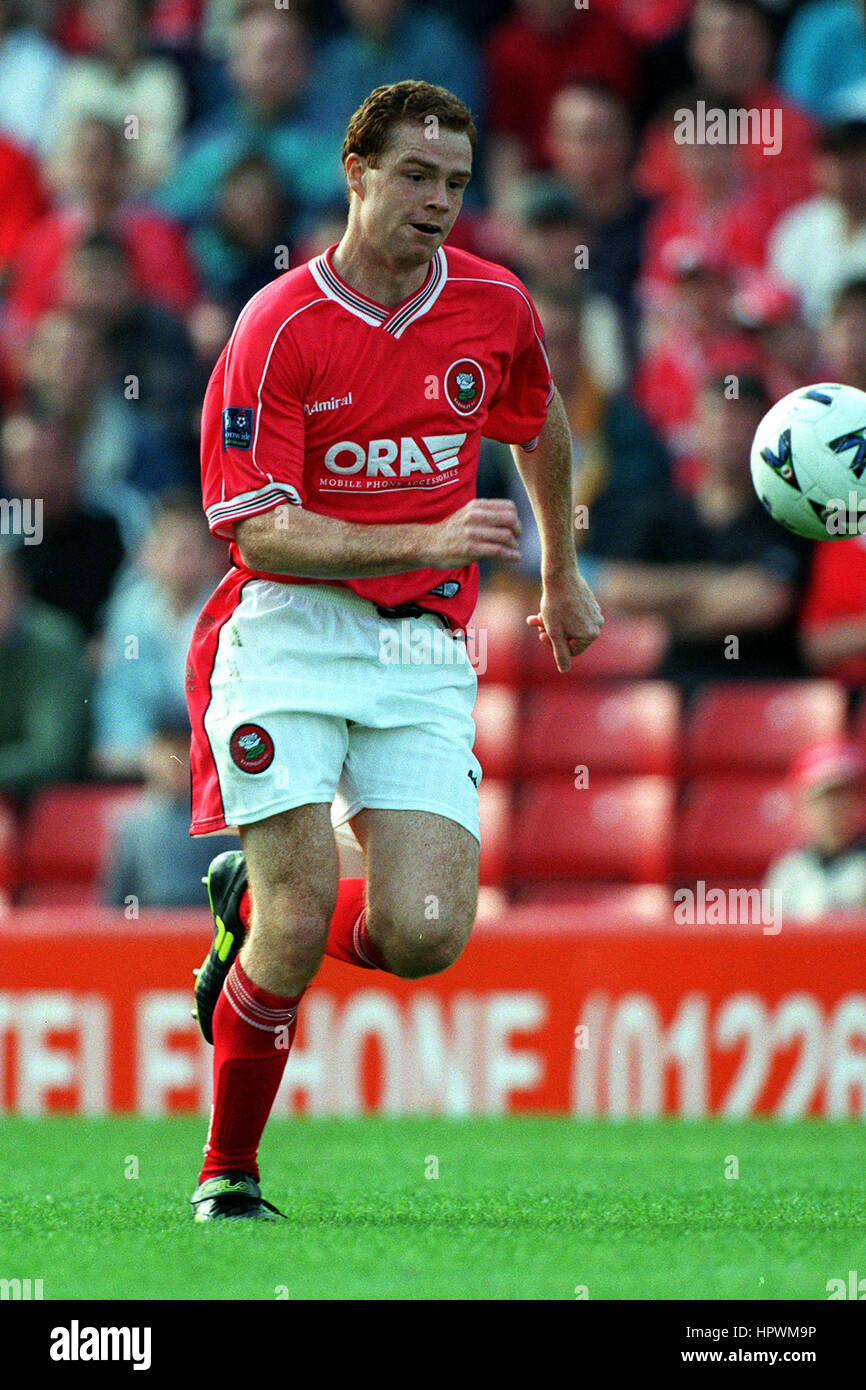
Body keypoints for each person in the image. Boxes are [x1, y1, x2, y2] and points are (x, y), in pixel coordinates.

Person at [185, 79, 603, 1221]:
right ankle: (229, 1173)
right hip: (286, 628)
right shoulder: (278, 327)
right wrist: (426, 529)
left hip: (419, 650)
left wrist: (562, 571)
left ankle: (256, 911)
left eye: (458, 184)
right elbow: (251, 525)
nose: (437, 202)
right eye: (416, 175)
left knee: (422, 936)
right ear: (356, 171)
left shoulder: (492, 304)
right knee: (304, 900)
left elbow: (541, 420)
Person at [591, 371, 811, 698]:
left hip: (764, 691)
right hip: (672, 693)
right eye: (716, 422)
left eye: (739, 425)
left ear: (762, 435)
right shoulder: (660, 511)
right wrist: (716, 584)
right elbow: (616, 587)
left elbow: (765, 603)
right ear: (696, 429)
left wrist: (665, 619)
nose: (726, 435)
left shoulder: (784, 515)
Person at [764, 740, 866, 920]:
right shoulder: (788, 870)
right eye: (824, 798)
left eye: (846, 796)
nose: (835, 808)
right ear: (803, 806)